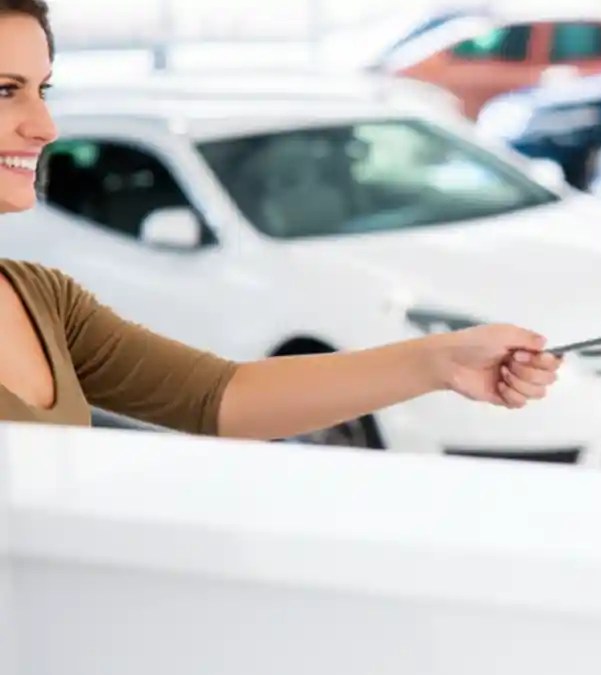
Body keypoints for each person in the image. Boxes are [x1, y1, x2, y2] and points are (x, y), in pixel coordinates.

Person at [0, 0, 560, 437]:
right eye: (6, 91)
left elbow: (222, 396)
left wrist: (442, 361)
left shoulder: (42, 301)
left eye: (43, 90)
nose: (46, 126)